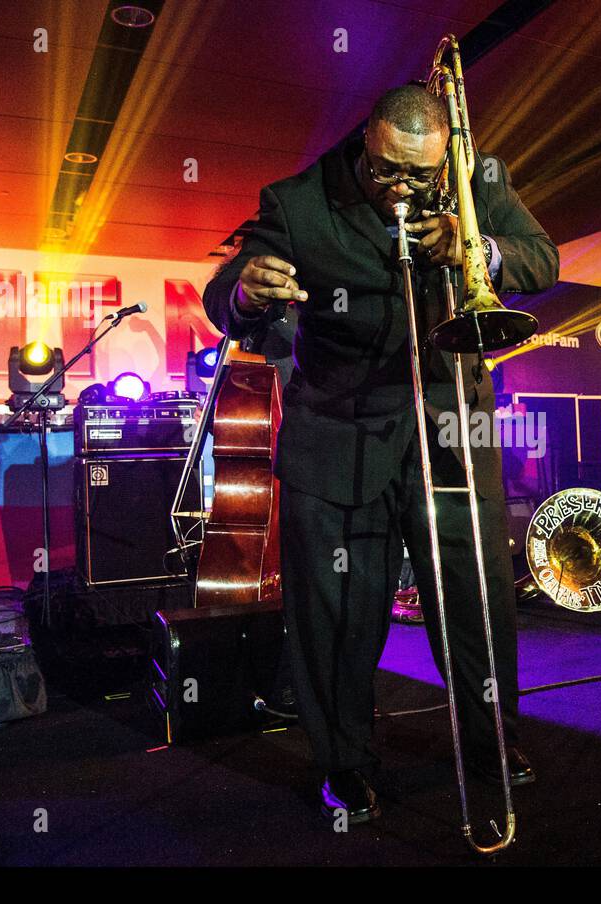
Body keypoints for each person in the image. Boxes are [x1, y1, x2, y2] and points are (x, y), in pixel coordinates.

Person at [203, 83, 559, 825]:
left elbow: (542, 257)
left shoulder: (473, 176)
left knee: (477, 604)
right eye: (387, 170)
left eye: (419, 176)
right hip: (338, 436)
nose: (404, 188)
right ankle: (344, 764)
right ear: (364, 143)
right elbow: (224, 295)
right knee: (338, 616)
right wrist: (248, 294)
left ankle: (494, 738)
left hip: (452, 430)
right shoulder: (299, 201)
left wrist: (476, 244)